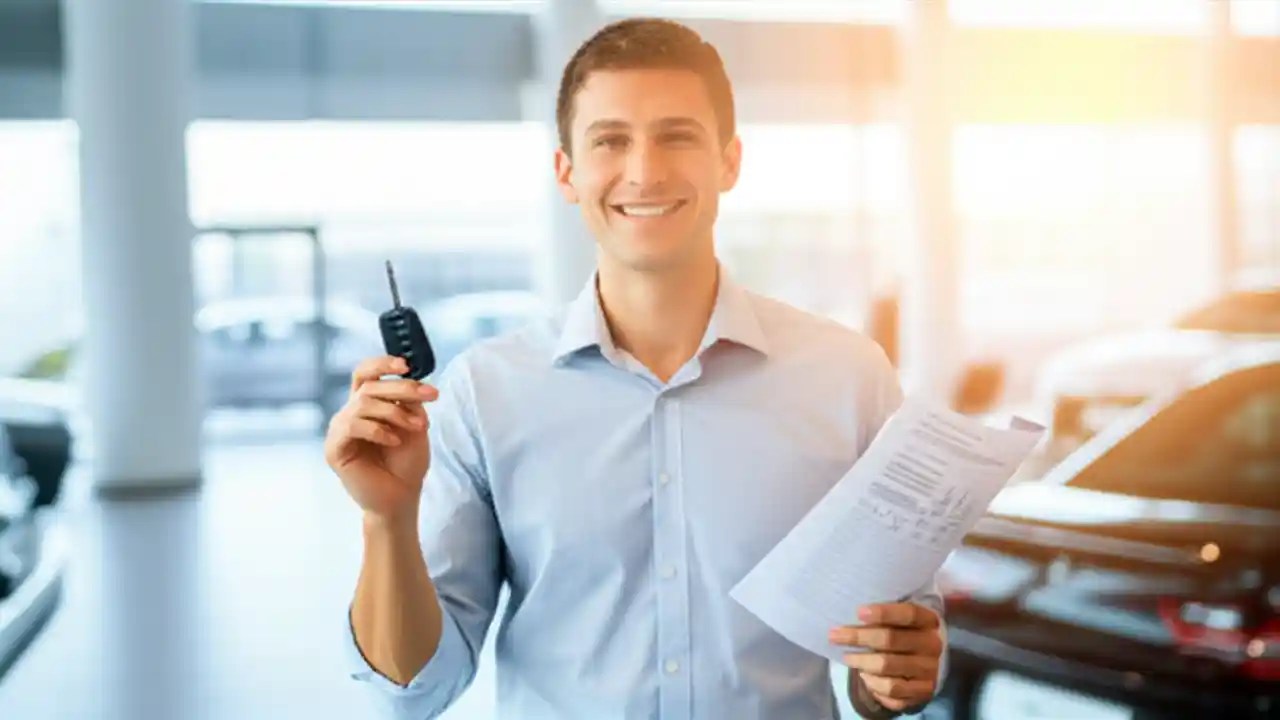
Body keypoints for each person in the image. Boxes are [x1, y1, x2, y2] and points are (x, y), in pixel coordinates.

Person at [326, 17, 946, 720]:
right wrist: (388, 520)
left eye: (677, 136)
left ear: (729, 161)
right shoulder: (484, 393)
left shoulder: (848, 378)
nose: (645, 171)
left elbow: (888, 655)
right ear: (567, 172)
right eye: (610, 140)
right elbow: (413, 688)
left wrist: (892, 679)